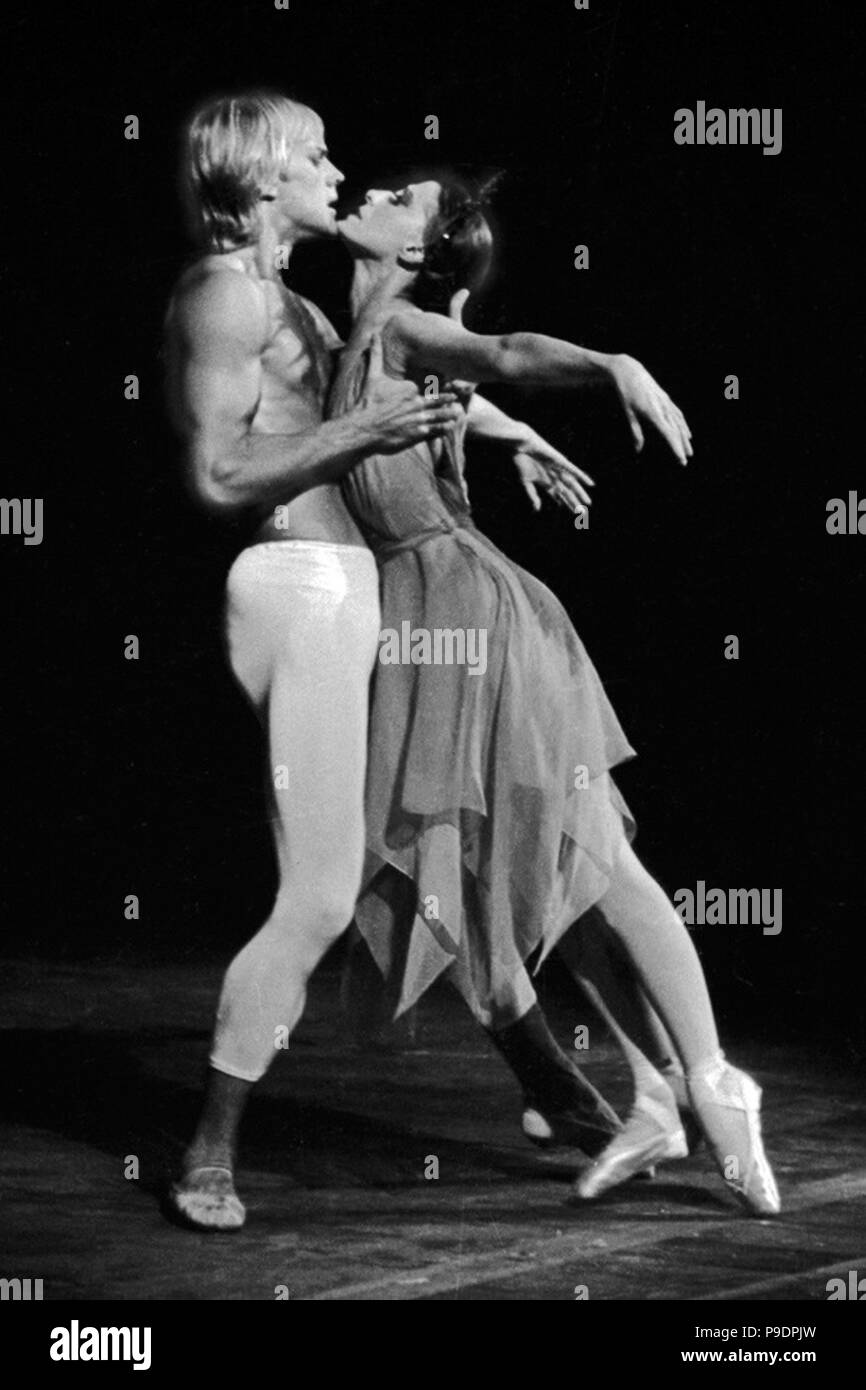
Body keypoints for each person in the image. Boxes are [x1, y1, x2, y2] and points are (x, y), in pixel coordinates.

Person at [162, 92, 625, 1231]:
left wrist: (507, 432)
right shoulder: (225, 293)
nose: (335, 170)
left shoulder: (304, 311)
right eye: (314, 157)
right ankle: (205, 1156)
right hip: (298, 588)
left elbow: (405, 389)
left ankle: (546, 1081)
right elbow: (220, 475)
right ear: (262, 179)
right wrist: (364, 435)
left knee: (416, 854)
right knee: (323, 892)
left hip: (355, 597)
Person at [329, 176, 780, 1216]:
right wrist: (509, 437)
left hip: (476, 618)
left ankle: (718, 1078)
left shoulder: (400, 325)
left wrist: (608, 365)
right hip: (423, 624)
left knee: (596, 861)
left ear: (419, 249)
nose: (372, 189)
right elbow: (467, 392)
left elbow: (501, 354)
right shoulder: (358, 338)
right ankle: (656, 1094)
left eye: (400, 195)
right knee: (541, 886)